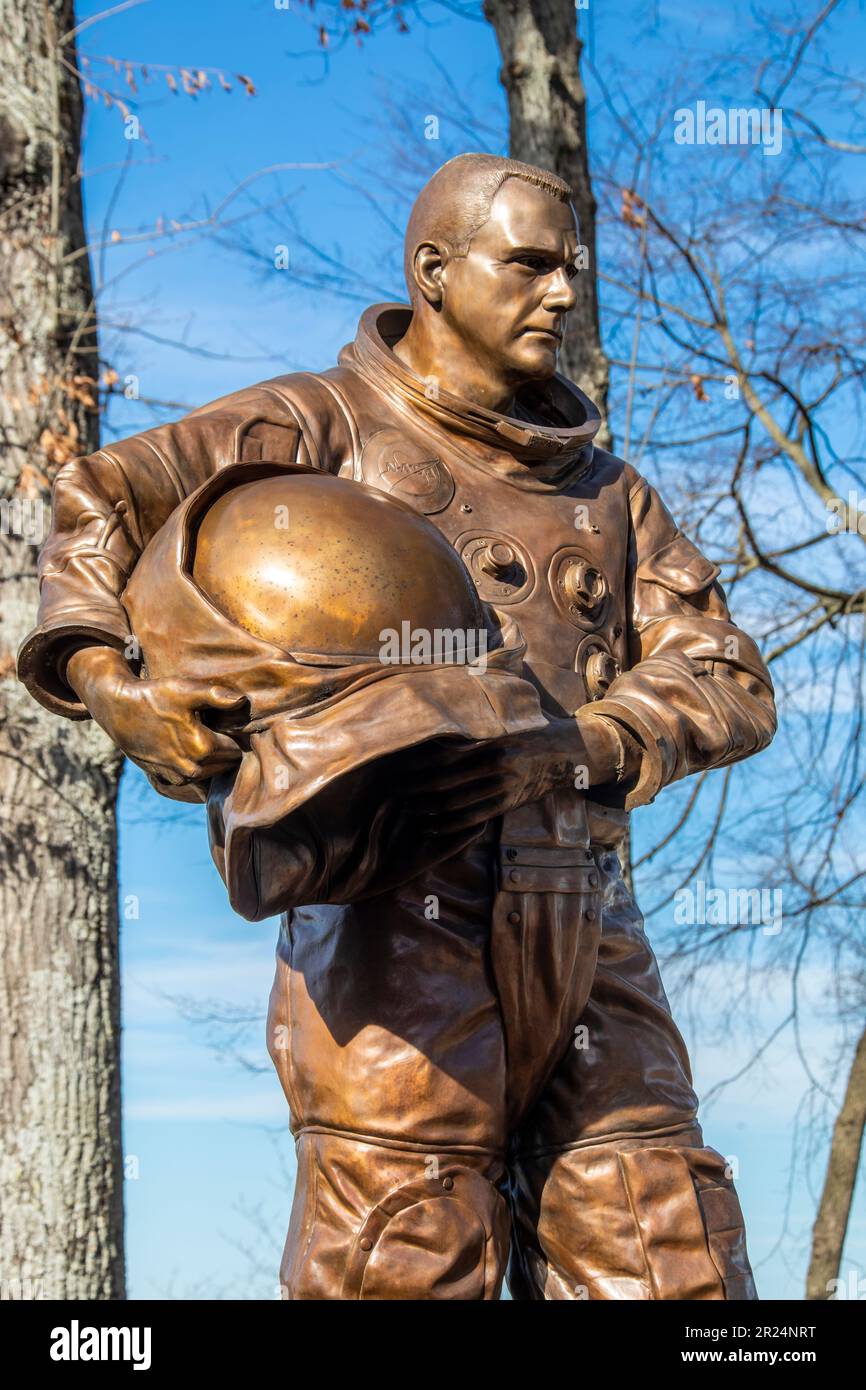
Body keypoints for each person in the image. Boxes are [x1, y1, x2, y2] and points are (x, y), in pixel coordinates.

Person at [19, 153, 776, 1300]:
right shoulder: (318, 424)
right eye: (525, 264)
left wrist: (588, 740)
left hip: (586, 918)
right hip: (392, 926)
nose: (562, 294)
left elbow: (724, 675)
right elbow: (102, 499)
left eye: (567, 267)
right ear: (432, 271)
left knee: (663, 1250)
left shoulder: (606, 495)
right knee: (403, 1253)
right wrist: (106, 678)